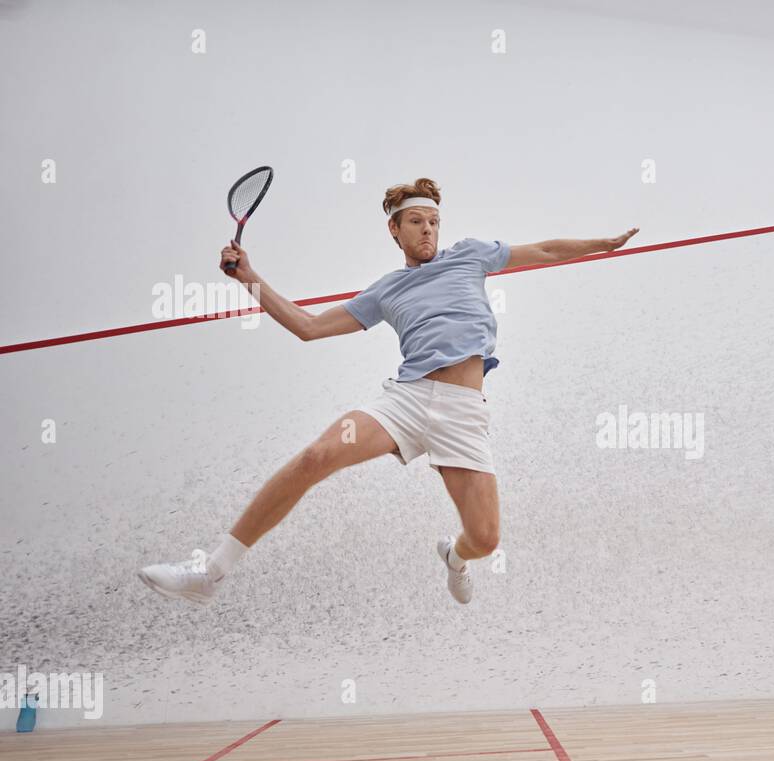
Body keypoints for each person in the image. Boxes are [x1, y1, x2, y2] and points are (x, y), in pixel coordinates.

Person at [138, 176, 637, 606]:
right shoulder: (385, 291)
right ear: (395, 229)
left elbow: (546, 251)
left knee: (484, 540)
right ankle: (210, 573)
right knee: (316, 456)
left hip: (464, 412)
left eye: (433, 222)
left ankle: (454, 557)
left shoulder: (470, 255)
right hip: (408, 399)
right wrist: (248, 277)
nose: (428, 230)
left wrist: (601, 243)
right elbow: (308, 328)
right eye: (416, 222)